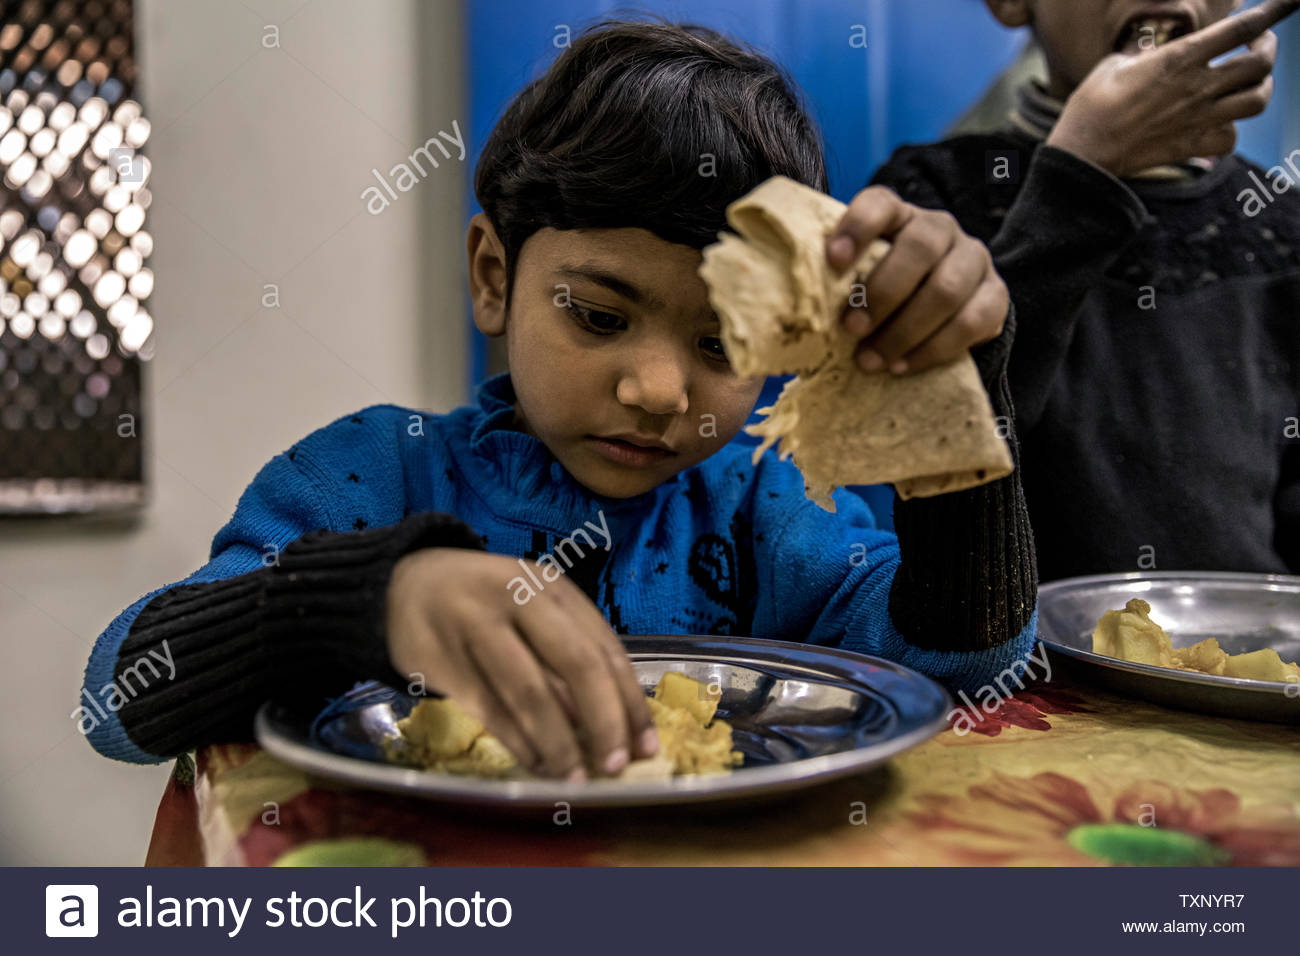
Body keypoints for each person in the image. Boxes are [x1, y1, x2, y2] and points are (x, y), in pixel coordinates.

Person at [80, 19, 1037, 781]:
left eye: (722, 343)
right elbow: (117, 700)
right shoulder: (372, 476)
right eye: (598, 316)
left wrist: (953, 415)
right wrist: (367, 599)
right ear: (494, 275)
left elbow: (964, 669)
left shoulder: (773, 514)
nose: (658, 390)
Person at [859, 0, 1300, 581]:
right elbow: (941, 455)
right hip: (1023, 665)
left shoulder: (1283, 226)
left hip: (1240, 662)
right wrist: (1081, 174)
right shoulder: (935, 199)